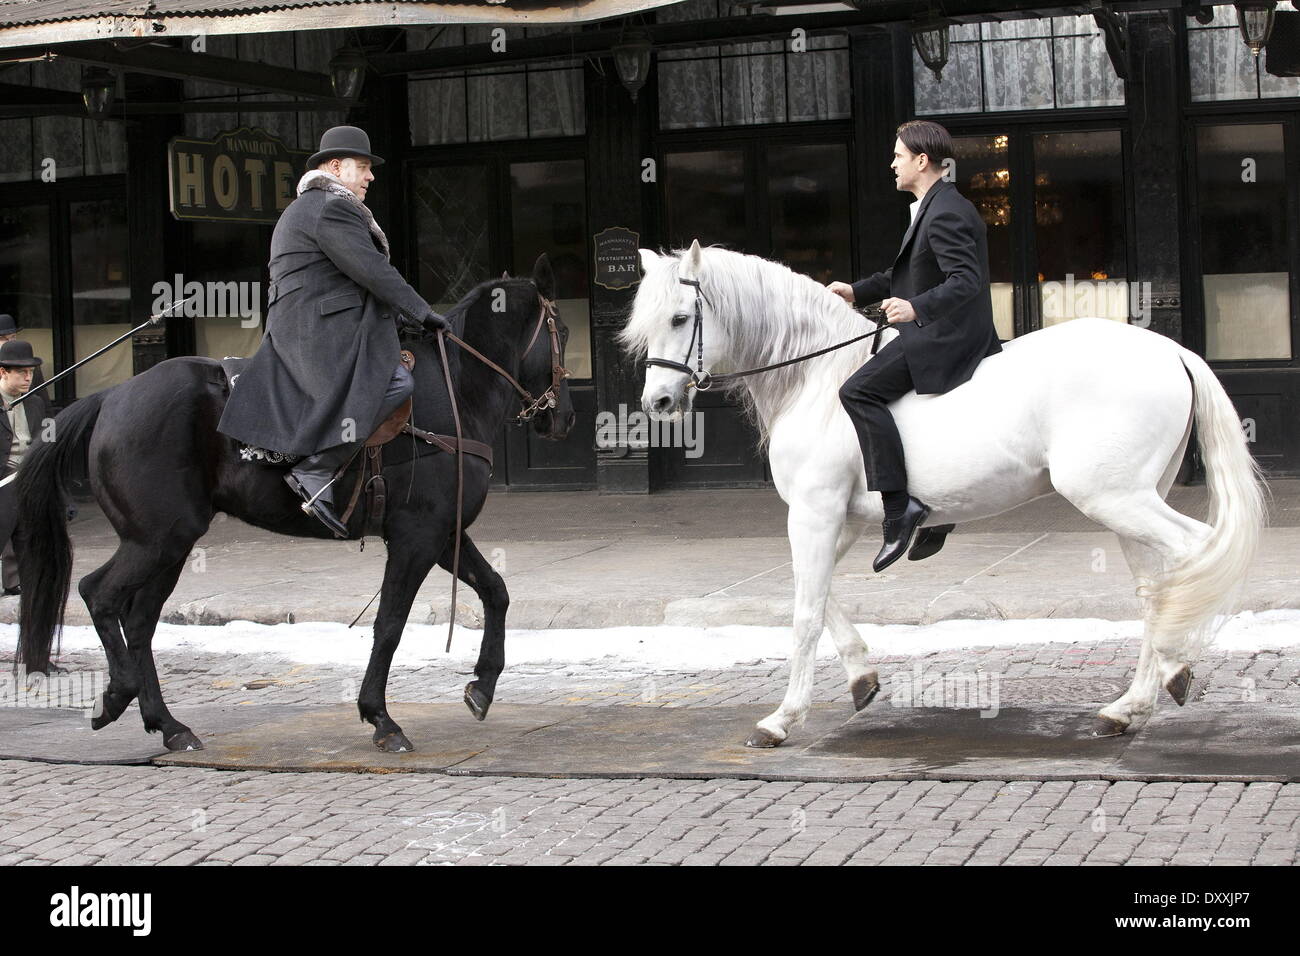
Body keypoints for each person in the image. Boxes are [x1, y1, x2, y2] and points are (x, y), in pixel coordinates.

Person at [217, 126, 447, 537]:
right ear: (337, 167)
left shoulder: (314, 207)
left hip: (315, 325)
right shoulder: (328, 207)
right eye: (363, 167)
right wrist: (423, 313)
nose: (370, 176)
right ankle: (316, 469)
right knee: (396, 380)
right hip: (317, 334)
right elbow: (372, 270)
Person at [829, 120, 1001, 573]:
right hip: (939, 327)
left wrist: (915, 309)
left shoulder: (945, 211)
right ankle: (941, 507)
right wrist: (855, 290)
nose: (892, 163)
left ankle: (898, 507)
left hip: (947, 335)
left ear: (922, 161)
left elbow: (966, 281)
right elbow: (905, 275)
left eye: (899, 156)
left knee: (856, 391)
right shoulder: (934, 204)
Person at [0, 339, 50, 596]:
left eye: (30, 372)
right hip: (2, 481)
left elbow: (47, 442)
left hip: (28, 477)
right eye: (21, 372)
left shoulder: (36, 404)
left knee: (31, 537)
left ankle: (25, 583)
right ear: (3, 372)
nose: (28, 378)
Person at [0, 314, 45, 393]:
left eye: (13, 337)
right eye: (2, 338)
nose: (10, 341)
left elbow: (42, 400)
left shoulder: (30, 365)